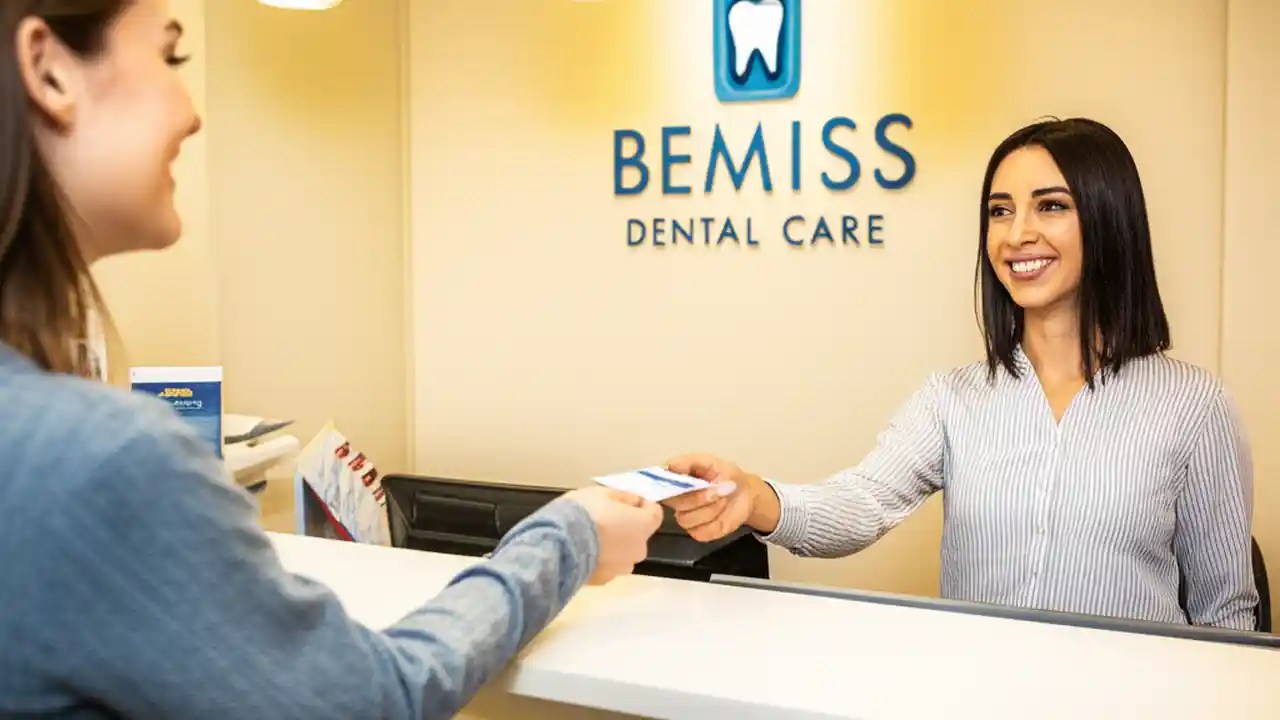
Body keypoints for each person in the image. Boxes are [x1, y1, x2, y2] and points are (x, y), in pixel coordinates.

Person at [0, 2, 663, 718]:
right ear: (48, 69)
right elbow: (377, 700)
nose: (192, 113)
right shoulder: (104, 460)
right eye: (170, 57)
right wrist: (569, 536)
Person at [665, 117, 1259, 630]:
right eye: (1000, 211)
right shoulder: (952, 398)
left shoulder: (1193, 405)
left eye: (1050, 206)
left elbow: (1225, 616)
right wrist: (754, 497)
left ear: (1108, 220)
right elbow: (865, 501)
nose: (1017, 233)